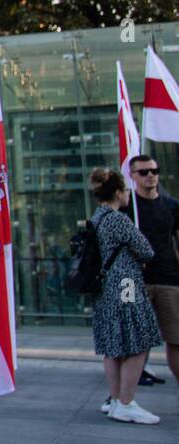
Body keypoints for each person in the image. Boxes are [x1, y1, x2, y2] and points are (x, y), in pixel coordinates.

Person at [88, 167, 163, 424]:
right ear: (119, 193)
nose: (129, 195)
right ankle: (127, 402)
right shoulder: (119, 220)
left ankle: (116, 399)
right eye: (126, 190)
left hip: (106, 288)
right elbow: (146, 250)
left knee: (113, 345)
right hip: (126, 284)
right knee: (138, 340)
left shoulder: (97, 217)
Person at [125, 154, 179, 396]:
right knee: (135, 339)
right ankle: (122, 395)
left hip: (169, 279)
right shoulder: (128, 207)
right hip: (135, 281)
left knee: (175, 338)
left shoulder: (171, 206)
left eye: (154, 171)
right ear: (133, 176)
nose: (150, 177)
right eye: (144, 172)